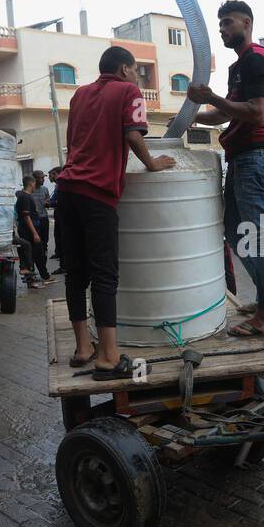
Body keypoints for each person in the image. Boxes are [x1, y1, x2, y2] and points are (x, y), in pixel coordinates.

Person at [57, 45, 175, 379]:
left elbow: (74, 144)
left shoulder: (79, 95)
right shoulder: (128, 91)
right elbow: (133, 134)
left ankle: (83, 348)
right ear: (124, 69)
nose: (137, 75)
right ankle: (108, 358)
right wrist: (152, 164)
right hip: (97, 194)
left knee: (75, 274)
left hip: (67, 190)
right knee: (104, 275)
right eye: (136, 68)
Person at [187, 0, 264, 338]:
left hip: (254, 157)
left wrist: (210, 97)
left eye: (228, 23)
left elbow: (255, 112)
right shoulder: (238, 67)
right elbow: (226, 113)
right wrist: (192, 115)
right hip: (240, 158)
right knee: (234, 232)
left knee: (255, 237)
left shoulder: (256, 59)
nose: (223, 29)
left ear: (247, 22)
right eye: (220, 25)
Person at [15, 176, 51, 286]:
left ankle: (35, 278)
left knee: (32, 254)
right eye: (34, 183)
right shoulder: (25, 197)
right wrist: (35, 233)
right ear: (31, 183)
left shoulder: (24, 196)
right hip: (28, 231)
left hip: (29, 229)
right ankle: (43, 277)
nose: (35, 186)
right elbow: (26, 217)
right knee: (36, 254)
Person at [32, 169, 52, 273]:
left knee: (45, 243)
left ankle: (43, 266)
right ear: (35, 179)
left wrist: (47, 202)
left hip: (44, 218)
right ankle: (36, 268)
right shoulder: (29, 190)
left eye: (44, 177)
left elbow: (48, 199)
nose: (43, 179)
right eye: (41, 177)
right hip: (34, 220)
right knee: (36, 244)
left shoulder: (45, 189)